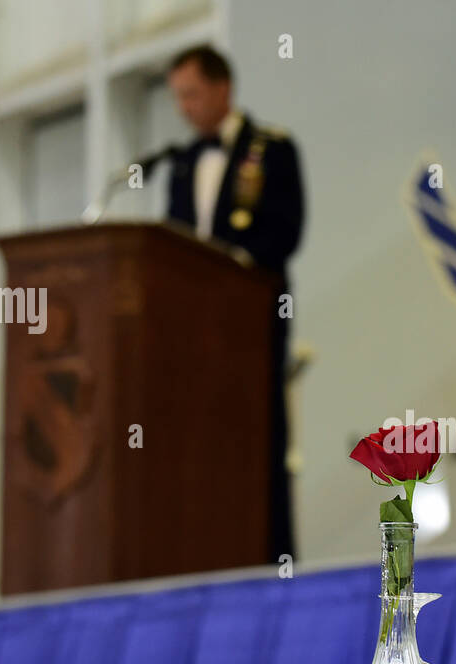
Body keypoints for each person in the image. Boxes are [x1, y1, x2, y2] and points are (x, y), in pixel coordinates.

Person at [166, 44, 304, 562]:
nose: (183, 107)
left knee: (257, 439)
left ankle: (269, 556)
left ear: (222, 88)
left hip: (249, 323)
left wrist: (230, 270)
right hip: (190, 331)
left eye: (190, 94)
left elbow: (286, 233)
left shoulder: (272, 150)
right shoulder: (180, 163)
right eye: (177, 97)